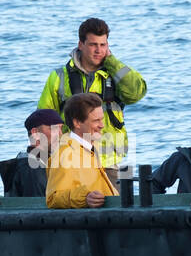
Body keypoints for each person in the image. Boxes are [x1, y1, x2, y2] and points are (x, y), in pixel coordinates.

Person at [37, 17, 146, 181]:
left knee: (115, 203)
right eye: (93, 44)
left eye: (103, 45)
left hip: (109, 160)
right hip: (71, 160)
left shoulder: (116, 72)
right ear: (80, 44)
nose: (98, 50)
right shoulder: (59, 76)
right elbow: (44, 118)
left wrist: (112, 62)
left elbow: (136, 93)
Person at [46, 93, 118, 209]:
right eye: (96, 120)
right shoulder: (65, 154)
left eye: (102, 119)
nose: (102, 125)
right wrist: (85, 198)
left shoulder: (89, 149)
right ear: (77, 123)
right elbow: (53, 198)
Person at [3, 108, 63, 197]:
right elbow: (37, 207)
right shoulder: (31, 168)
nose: (60, 134)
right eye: (54, 129)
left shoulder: (40, 163)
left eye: (61, 128)